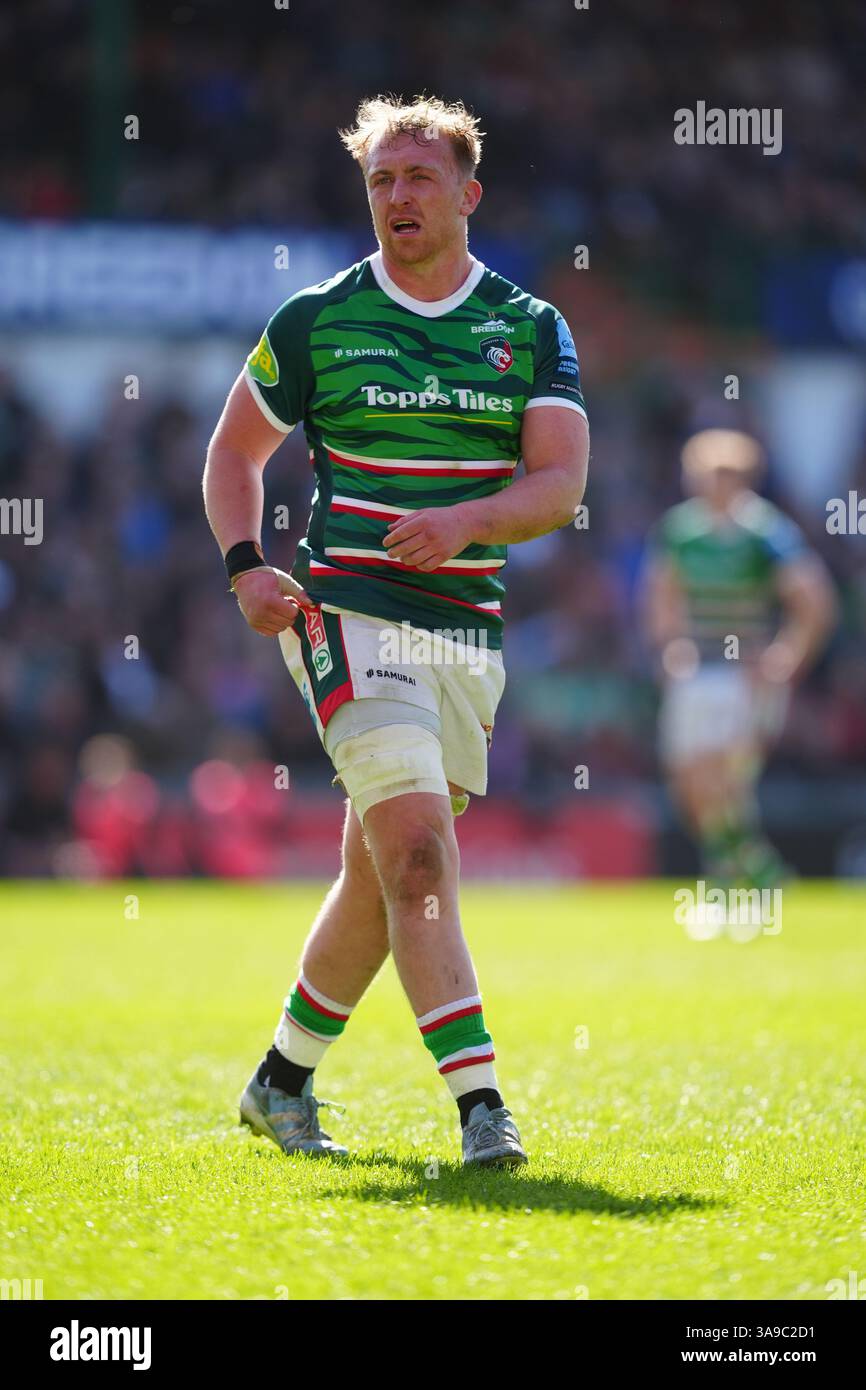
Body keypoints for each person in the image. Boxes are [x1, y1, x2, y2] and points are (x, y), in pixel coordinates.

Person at [204, 95, 589, 1166]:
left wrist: (465, 521)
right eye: (380, 181)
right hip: (345, 613)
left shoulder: (526, 326)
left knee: (385, 872)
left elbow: (560, 482)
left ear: (467, 195)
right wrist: (245, 569)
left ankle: (279, 1082)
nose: (397, 197)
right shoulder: (317, 318)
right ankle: (480, 1109)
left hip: (464, 633)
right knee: (420, 850)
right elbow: (233, 453)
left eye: (418, 178)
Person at [644, 428, 835, 888]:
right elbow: (661, 596)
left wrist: (785, 657)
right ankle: (754, 867)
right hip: (696, 671)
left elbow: (814, 600)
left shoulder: (766, 532)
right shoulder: (680, 531)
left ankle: (734, 878)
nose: (714, 484)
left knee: (719, 774)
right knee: (689, 783)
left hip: (741, 674)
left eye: (724, 474)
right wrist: (671, 647)